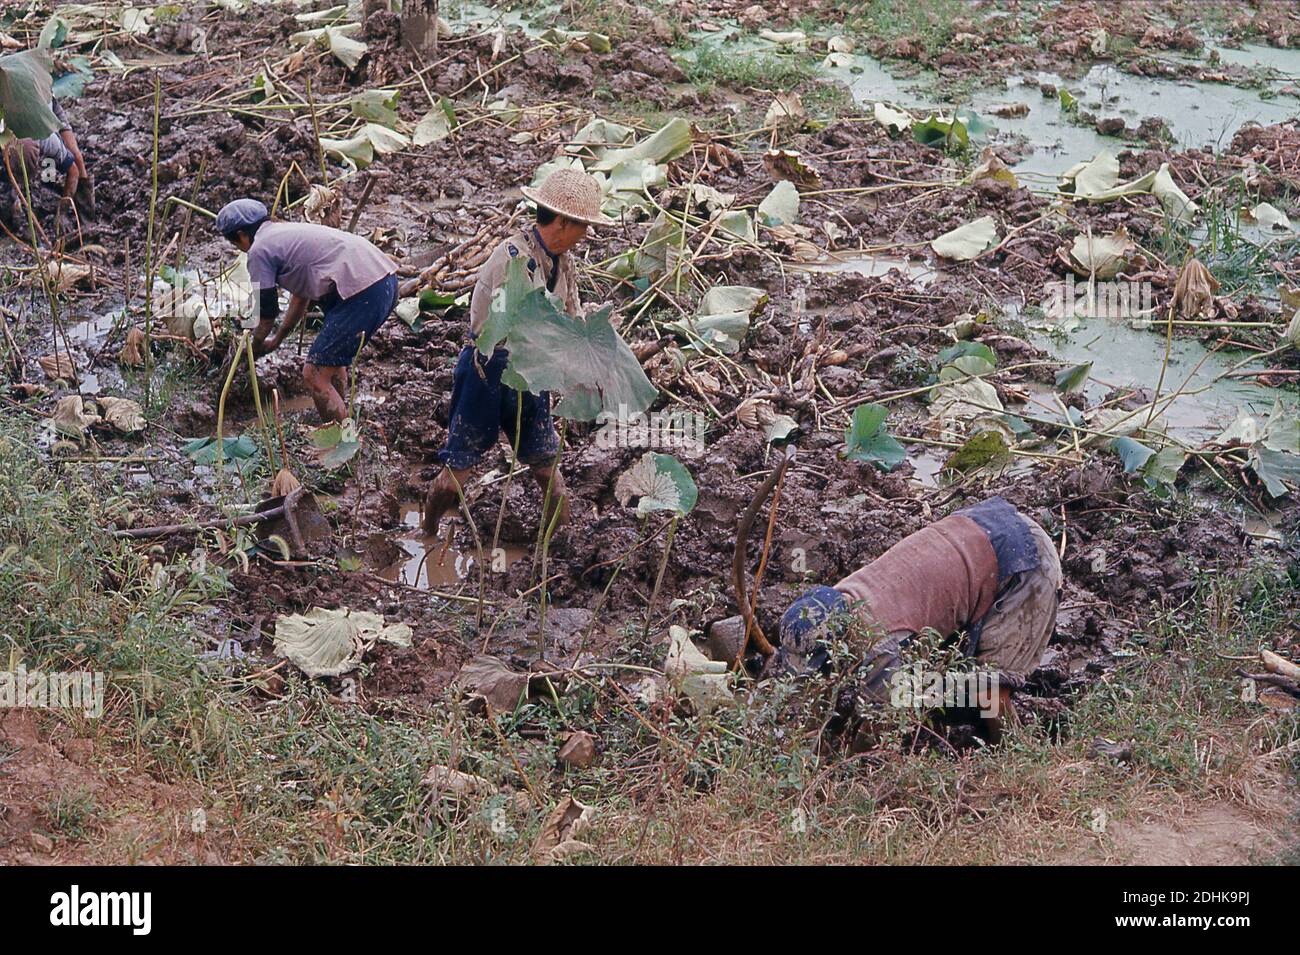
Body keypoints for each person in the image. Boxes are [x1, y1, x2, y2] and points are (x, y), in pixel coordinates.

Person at [718, 496, 1061, 743]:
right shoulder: (834, 601)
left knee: (988, 689)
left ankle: (1019, 756)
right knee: (948, 675)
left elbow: (883, 726)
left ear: (843, 643)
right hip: (978, 523)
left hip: (1023, 560)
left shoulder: (877, 642)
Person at [421, 168, 612, 535]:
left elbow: (572, 316)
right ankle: (427, 532)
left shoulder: (561, 260)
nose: (587, 234)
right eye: (583, 226)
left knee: (546, 466)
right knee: (457, 471)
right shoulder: (514, 258)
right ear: (561, 222)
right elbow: (527, 328)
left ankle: (562, 547)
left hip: (531, 375)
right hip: (489, 370)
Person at [215, 198, 398, 422]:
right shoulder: (283, 234)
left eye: (236, 243)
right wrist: (278, 339)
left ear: (242, 235)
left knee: (313, 374)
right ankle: (344, 423)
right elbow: (299, 297)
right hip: (384, 280)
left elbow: (266, 314)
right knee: (332, 363)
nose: (240, 250)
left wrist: (252, 349)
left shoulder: (259, 250)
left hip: (362, 291)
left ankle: (344, 443)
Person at [1, 98, 93, 228]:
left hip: (45, 107)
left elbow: (73, 171)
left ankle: (87, 214)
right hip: (12, 110)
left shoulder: (47, 138)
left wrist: (63, 213)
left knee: (76, 157)